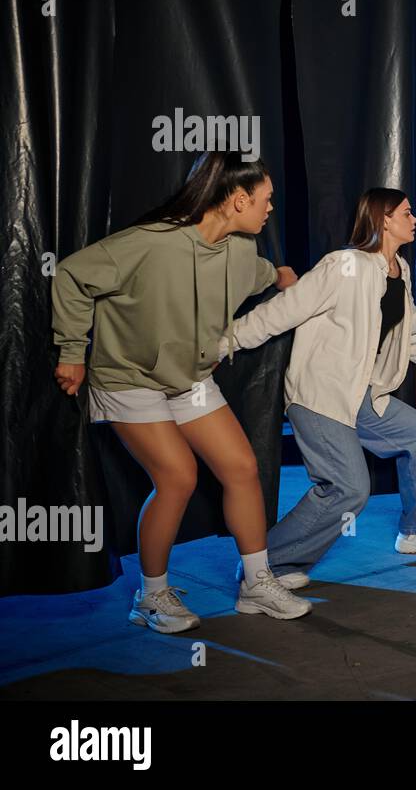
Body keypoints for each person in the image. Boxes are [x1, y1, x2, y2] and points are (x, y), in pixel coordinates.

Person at [51, 152, 312, 634]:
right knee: (177, 477)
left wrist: (282, 276)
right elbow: (71, 275)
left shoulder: (239, 251)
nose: (271, 208)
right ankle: (150, 597)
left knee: (242, 467)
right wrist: (71, 351)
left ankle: (256, 583)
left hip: (187, 378)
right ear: (239, 199)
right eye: (266, 198)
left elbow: (262, 274)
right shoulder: (152, 242)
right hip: (129, 378)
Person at [219, 188, 416, 584]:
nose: (414, 219)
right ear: (384, 219)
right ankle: (266, 566)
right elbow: (283, 310)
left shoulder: (398, 269)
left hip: (363, 394)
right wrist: (226, 341)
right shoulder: (344, 265)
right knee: (348, 488)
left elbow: (411, 327)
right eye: (407, 213)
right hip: (323, 394)